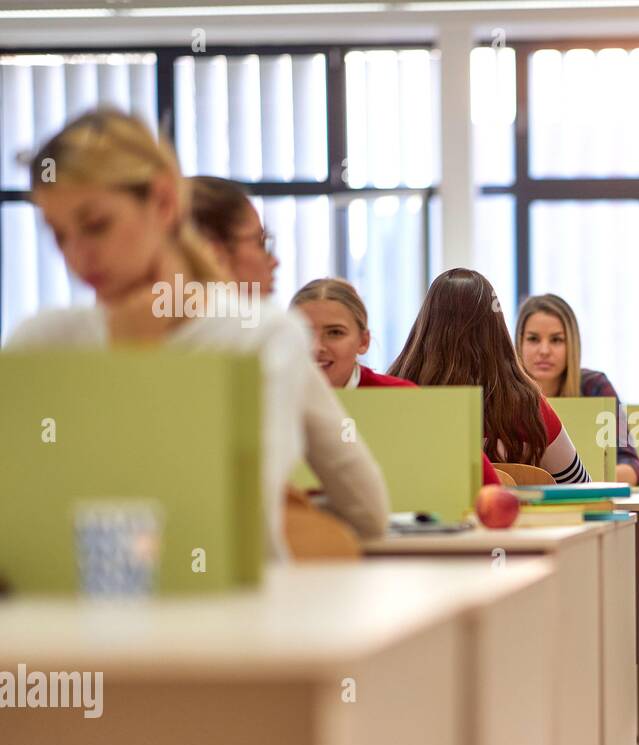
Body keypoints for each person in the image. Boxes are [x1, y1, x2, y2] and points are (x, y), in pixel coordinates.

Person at [5, 109, 388, 558]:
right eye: (59, 235)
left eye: (96, 225)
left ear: (164, 202)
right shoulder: (40, 340)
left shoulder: (261, 339)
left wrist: (133, 358)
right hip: (63, 620)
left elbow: (212, 519)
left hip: (229, 617)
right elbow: (365, 506)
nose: (77, 256)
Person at [186, 175, 392, 540]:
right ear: (214, 250)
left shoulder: (77, 336)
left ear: (364, 340)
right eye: (261, 242)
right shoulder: (269, 336)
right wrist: (303, 511)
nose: (274, 260)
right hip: (253, 580)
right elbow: (368, 508)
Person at [292, 276, 501, 487]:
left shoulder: (405, 400)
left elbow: (487, 486)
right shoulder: (266, 402)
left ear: (363, 342)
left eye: (334, 333)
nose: (316, 347)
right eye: (303, 334)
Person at [389, 268, 589, 484]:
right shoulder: (530, 407)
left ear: (425, 323)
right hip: (514, 518)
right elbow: (580, 486)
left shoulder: (391, 398)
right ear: (497, 331)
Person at [515, 293, 639, 485]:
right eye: (533, 339)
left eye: (557, 340)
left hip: (587, 503)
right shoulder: (502, 393)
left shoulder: (595, 386)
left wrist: (583, 482)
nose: (544, 350)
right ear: (519, 343)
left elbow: (632, 466)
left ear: (572, 345)